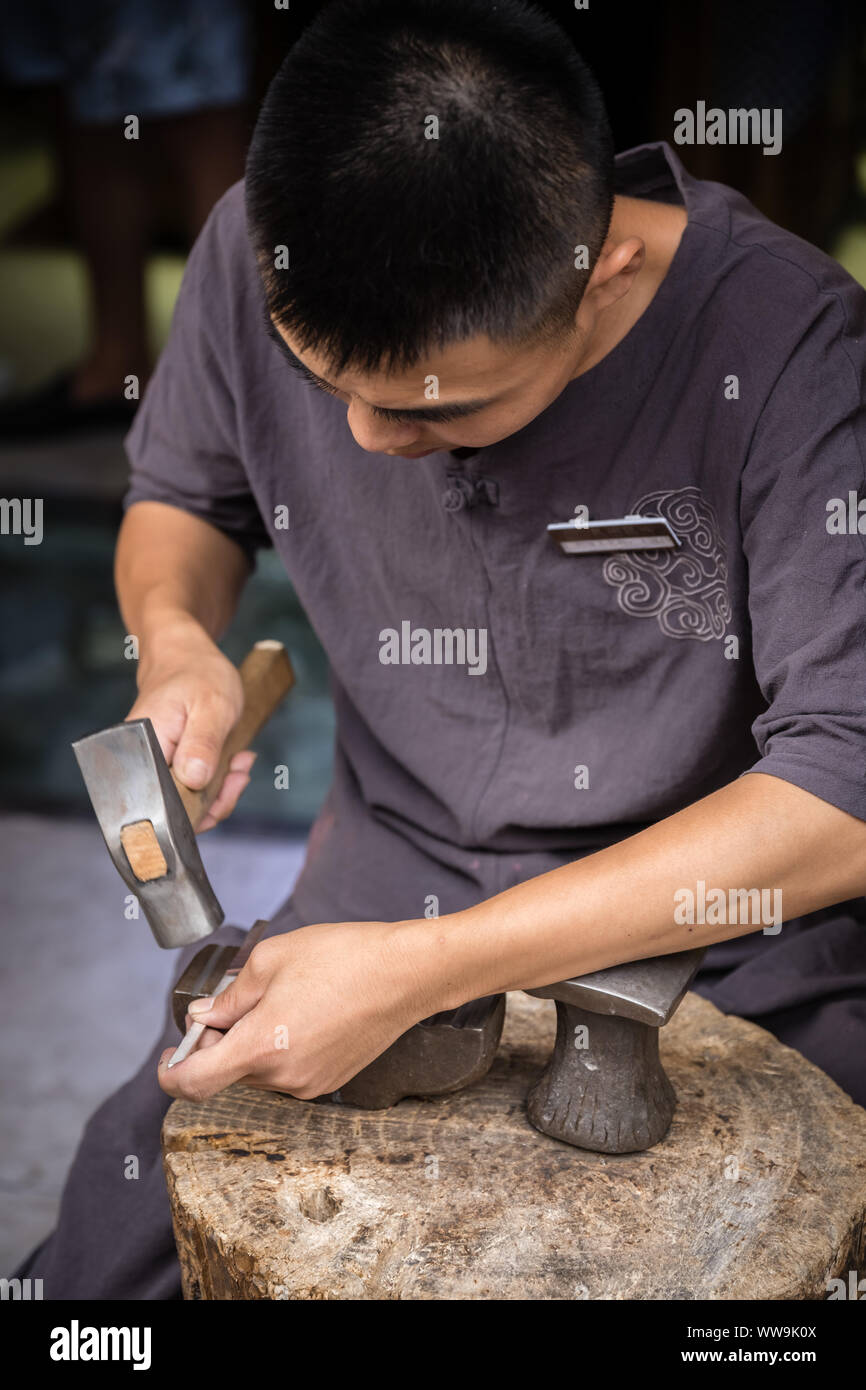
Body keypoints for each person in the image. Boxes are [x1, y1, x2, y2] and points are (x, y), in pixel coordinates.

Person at [16, 0, 866, 1299]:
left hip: (715, 921)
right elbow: (184, 497)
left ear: (606, 279)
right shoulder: (258, 245)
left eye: (441, 407)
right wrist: (177, 640)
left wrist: (434, 968)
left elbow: (842, 795)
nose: (364, 444)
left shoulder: (794, 347)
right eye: (324, 388)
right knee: (111, 1251)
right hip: (392, 866)